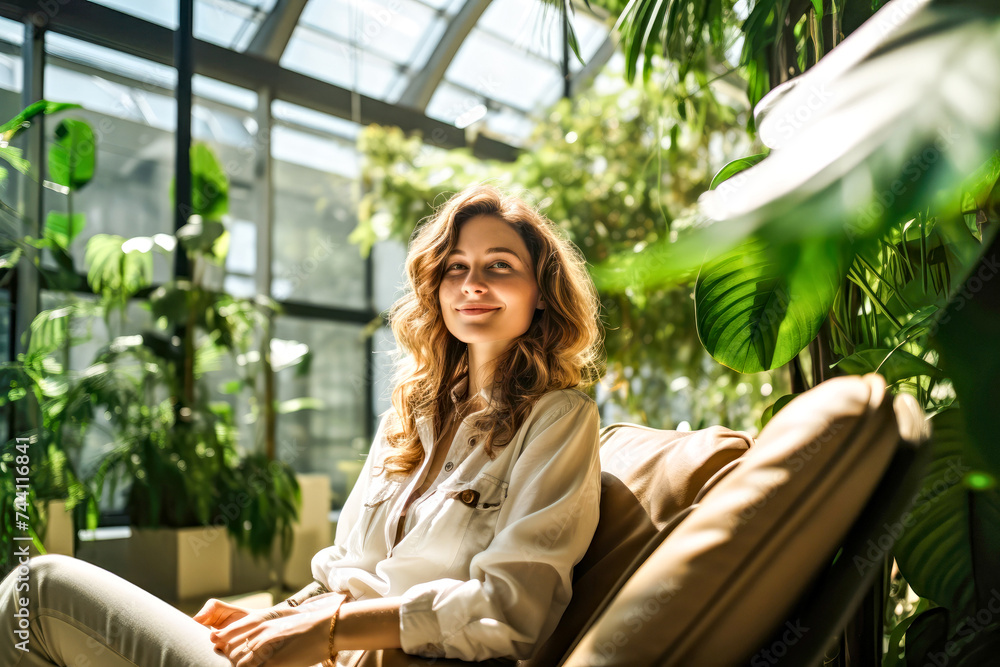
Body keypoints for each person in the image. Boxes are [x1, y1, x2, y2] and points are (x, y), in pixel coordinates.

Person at [0, 183, 605, 667]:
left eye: (499, 265)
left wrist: (332, 629)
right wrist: (273, 617)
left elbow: (514, 608)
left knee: (37, 590)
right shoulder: (412, 412)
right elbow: (347, 565)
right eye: (455, 267)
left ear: (542, 293)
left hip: (365, 657)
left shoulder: (558, 419)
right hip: (317, 651)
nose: (472, 284)